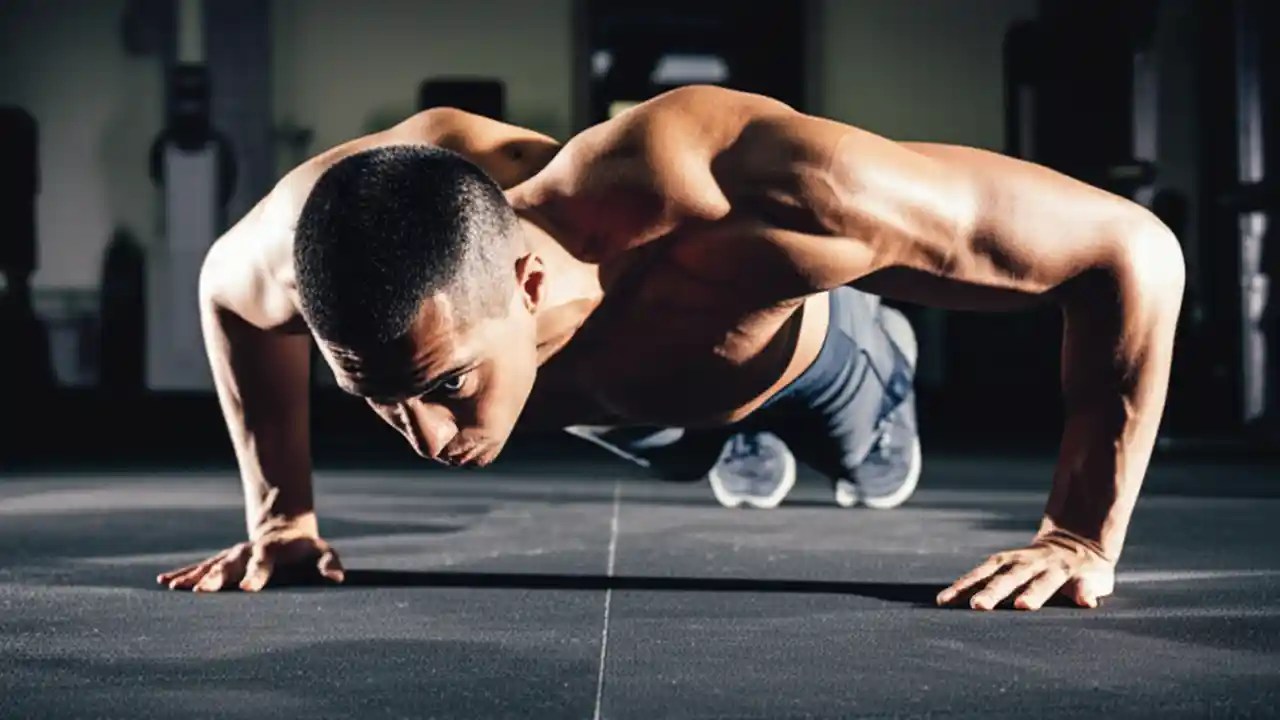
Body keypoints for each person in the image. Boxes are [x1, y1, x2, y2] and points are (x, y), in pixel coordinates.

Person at [159, 85, 1184, 612]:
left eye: (446, 384)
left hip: (811, 370)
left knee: (867, 469)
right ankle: (717, 445)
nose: (421, 438)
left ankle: (880, 371)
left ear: (526, 284)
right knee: (677, 439)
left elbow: (1129, 248)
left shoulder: (750, 191)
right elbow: (224, 294)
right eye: (378, 399)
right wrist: (283, 518)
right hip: (631, 410)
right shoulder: (310, 241)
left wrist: (1078, 534)